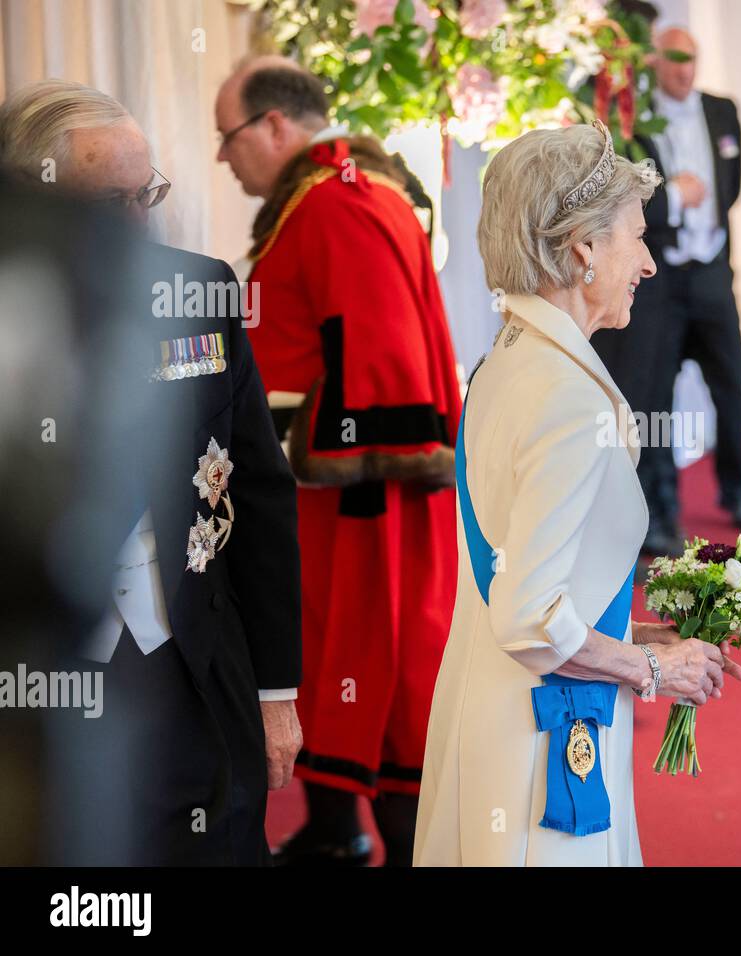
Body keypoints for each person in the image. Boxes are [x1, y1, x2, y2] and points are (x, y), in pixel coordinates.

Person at [414, 121, 741, 866]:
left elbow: (530, 567)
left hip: (490, 703)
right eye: (636, 237)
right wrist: (653, 669)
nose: (650, 264)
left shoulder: (507, 356)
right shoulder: (569, 397)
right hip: (538, 739)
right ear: (582, 250)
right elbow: (532, 622)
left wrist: (630, 633)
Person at [0, 79, 302, 865]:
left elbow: (261, 498)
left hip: (194, 672)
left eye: (149, 194)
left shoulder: (199, 291)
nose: (141, 224)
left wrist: (276, 694)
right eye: (112, 204)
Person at [215, 57, 463, 866]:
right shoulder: (342, 192)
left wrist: (353, 468)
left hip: (357, 491)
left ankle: (382, 838)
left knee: (374, 659)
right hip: (335, 478)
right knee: (337, 654)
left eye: (229, 138)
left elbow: (384, 356)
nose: (224, 158)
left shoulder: (338, 200)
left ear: (275, 126)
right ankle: (334, 827)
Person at [590, 25, 741, 555]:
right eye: (674, 59)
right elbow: (624, 200)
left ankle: (736, 488)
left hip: (711, 272)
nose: (684, 69)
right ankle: (662, 514)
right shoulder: (630, 119)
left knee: (732, 380)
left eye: (692, 58)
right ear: (654, 62)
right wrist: (678, 201)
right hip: (657, 275)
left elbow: (731, 186)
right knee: (653, 397)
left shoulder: (723, 110)